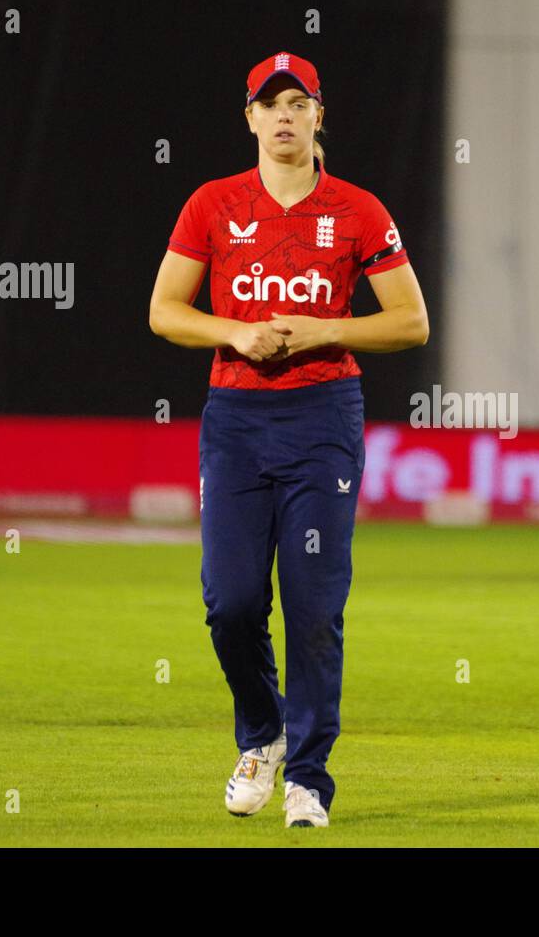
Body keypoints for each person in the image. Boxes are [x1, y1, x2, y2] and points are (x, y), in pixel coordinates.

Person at [148, 51, 429, 828]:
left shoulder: (359, 210)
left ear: (317, 114)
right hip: (235, 421)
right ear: (248, 118)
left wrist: (325, 329)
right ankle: (262, 734)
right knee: (230, 601)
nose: (282, 115)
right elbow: (165, 310)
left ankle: (308, 776)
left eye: (295, 102)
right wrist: (235, 335)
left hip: (321, 419)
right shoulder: (211, 203)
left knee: (312, 606)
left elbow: (411, 323)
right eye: (268, 104)